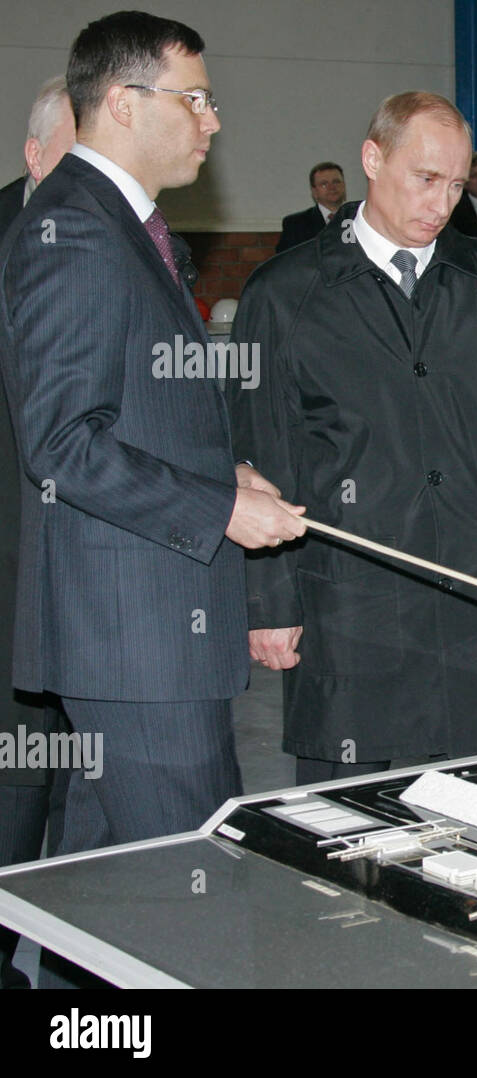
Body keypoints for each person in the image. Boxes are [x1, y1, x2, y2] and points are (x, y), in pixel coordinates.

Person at [0, 10, 305, 858]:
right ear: (127, 104)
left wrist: (227, 473)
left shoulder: (120, 224)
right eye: (196, 99)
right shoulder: (78, 232)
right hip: (134, 642)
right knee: (195, 890)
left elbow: (130, 412)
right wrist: (217, 509)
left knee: (121, 899)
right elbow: (61, 443)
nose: (213, 120)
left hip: (148, 634)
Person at [228, 92, 477, 783]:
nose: (442, 202)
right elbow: (258, 453)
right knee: (350, 838)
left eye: (456, 185)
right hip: (349, 614)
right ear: (372, 158)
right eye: (425, 179)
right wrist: (269, 603)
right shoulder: (284, 294)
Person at [0, 74, 75, 991]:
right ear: (34, 157)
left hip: (90, 585)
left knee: (77, 799)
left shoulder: (133, 243)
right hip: (12, 577)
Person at [275, 161, 346, 253]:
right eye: (324, 184)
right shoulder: (295, 224)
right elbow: (286, 261)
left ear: (344, 186)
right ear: (314, 191)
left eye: (336, 182)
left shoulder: (357, 218)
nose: (332, 187)